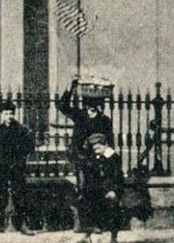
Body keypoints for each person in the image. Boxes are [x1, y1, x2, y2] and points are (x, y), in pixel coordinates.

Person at [59, 79, 113, 230]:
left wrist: (109, 158)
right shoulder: (79, 115)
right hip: (80, 158)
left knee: (96, 189)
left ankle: (94, 223)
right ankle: (82, 223)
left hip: (97, 159)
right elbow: (62, 106)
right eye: (90, 104)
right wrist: (70, 88)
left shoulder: (104, 120)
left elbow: (110, 142)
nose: (92, 108)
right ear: (86, 104)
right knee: (82, 188)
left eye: (96, 104)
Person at [0, 99, 35, 235]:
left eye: (11, 113)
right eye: (6, 113)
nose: (9, 116)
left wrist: (22, 161)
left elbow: (29, 147)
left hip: (16, 168)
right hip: (1, 168)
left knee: (19, 196)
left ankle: (21, 225)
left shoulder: (21, 130)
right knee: (0, 195)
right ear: (1, 115)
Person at [77, 133, 123, 243]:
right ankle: (90, 233)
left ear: (106, 145)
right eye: (94, 148)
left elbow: (117, 176)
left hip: (110, 189)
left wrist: (114, 190)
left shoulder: (113, 157)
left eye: (98, 148)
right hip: (98, 189)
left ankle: (113, 237)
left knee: (112, 208)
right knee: (88, 203)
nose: (96, 150)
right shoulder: (95, 157)